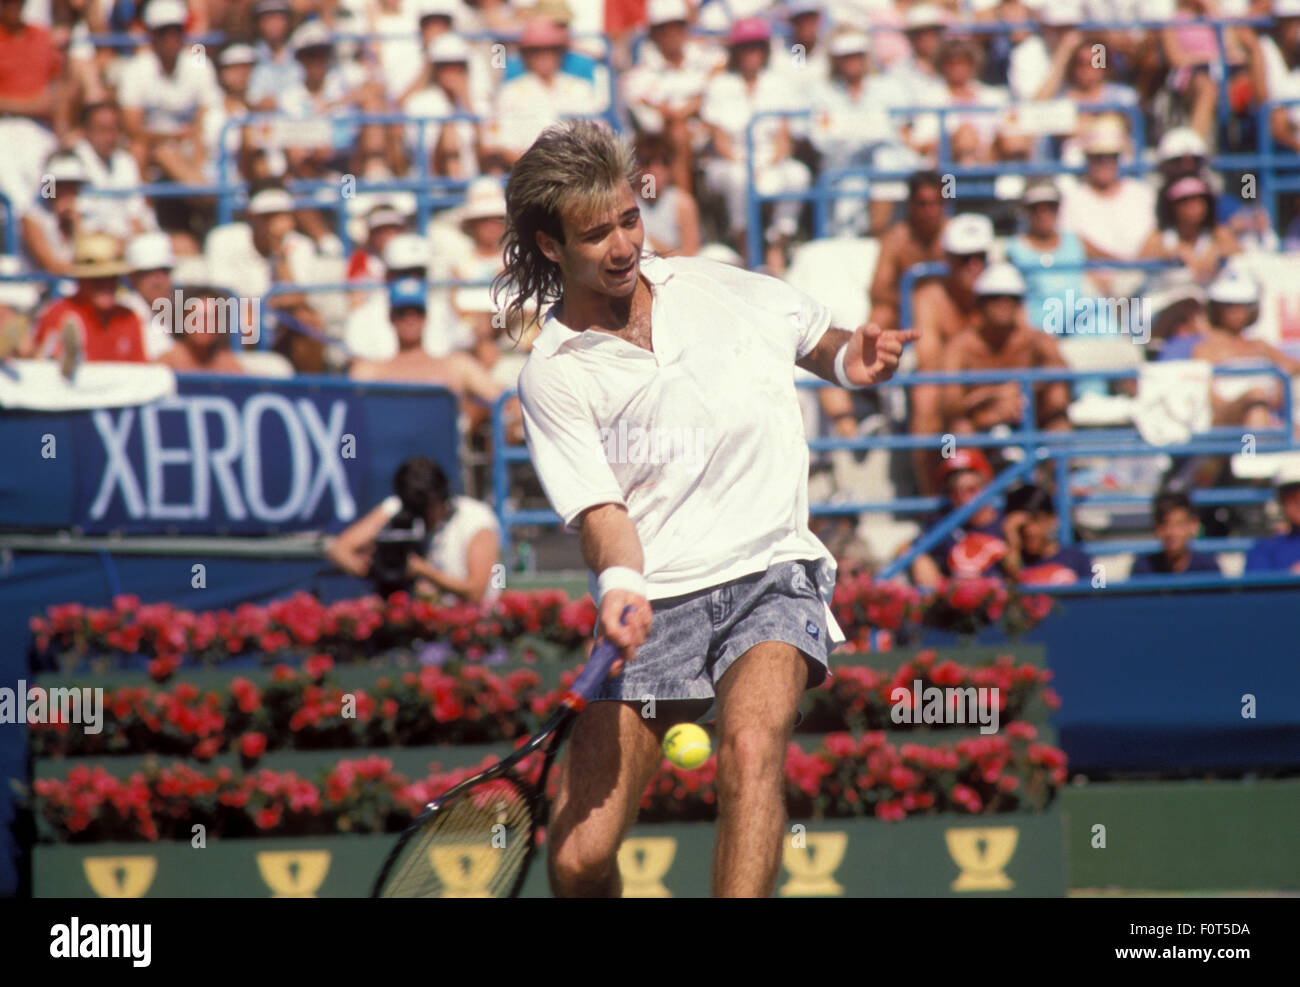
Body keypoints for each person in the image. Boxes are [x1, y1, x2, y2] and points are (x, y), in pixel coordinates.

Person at [503, 120, 915, 897]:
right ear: (550, 245)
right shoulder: (552, 373)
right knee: (579, 857)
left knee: (752, 749)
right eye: (597, 234)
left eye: (630, 218)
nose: (624, 245)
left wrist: (851, 361)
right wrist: (620, 583)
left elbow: (815, 337)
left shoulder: (715, 282)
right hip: (656, 600)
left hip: (770, 570)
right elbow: (600, 511)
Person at [324, 455, 502, 604]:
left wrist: (423, 571)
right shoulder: (398, 509)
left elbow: (476, 592)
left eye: (426, 509)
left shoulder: (476, 519)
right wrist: (379, 569)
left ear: (439, 499)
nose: (422, 517)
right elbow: (338, 549)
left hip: (466, 625)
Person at [939, 261, 1071, 440]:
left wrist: (1019, 391)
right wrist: (993, 399)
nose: (1004, 304)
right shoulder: (961, 346)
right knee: (956, 434)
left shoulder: (1035, 339)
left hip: (1029, 417)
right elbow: (948, 405)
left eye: (1012, 297)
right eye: (995, 297)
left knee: (1058, 406)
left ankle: (1057, 466)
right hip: (980, 424)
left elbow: (1061, 371)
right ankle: (960, 467)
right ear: (980, 302)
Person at [24, 234, 148, 363]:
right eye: (97, 280)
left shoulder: (129, 318)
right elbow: (42, 369)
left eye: (113, 278)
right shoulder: (58, 314)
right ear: (80, 281)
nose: (107, 285)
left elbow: (142, 372)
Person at [910, 449, 1010, 587]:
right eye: (954, 492)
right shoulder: (943, 524)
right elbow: (907, 550)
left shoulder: (1006, 522)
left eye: (971, 489)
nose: (963, 498)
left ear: (987, 486)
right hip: (958, 602)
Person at [868, 170, 948, 332]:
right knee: (880, 317)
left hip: (947, 309)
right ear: (910, 204)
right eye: (923, 204)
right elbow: (878, 290)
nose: (930, 211)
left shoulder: (954, 235)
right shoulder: (897, 239)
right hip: (906, 310)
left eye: (936, 203)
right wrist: (917, 302)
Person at [1002, 484, 1092, 584]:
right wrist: (1013, 544)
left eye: (1036, 520)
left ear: (1052, 519)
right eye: (1021, 525)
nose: (1029, 530)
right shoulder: (1012, 563)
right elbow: (1013, 587)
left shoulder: (1077, 559)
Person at [1130, 491, 1221, 576]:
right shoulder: (1143, 568)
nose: (1172, 532)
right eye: (1165, 524)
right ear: (1156, 527)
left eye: (1179, 524)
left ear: (1193, 525)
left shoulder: (1207, 569)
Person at [1244, 463, 1300, 573]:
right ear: (1281, 501)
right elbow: (1254, 585)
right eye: (1291, 495)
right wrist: (1288, 576)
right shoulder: (1264, 550)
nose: (1299, 500)